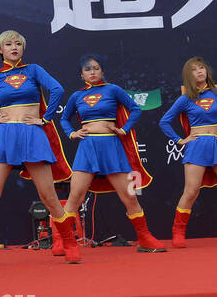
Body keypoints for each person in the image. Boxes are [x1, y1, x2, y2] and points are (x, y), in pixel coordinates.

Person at [0, 31, 77, 263]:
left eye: (18, 44)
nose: (14, 47)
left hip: (33, 134)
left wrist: (45, 119)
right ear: (0, 50)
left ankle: (68, 243)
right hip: (4, 135)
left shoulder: (33, 70)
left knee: (49, 196)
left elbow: (57, 89)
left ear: (23, 49)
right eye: (8, 44)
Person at [60, 55, 166, 252]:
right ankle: (64, 241)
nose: (92, 72)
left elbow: (135, 109)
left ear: (102, 71)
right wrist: (72, 133)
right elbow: (65, 119)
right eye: (88, 69)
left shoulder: (113, 89)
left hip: (112, 146)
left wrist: (124, 129)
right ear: (81, 74)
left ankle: (144, 238)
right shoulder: (76, 96)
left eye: (96, 68)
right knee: (75, 196)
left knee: (130, 196)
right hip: (87, 147)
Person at [158, 57, 217, 247]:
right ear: (188, 75)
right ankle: (178, 232)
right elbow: (164, 121)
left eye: (202, 68)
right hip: (196, 147)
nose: (200, 71)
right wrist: (180, 140)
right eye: (194, 69)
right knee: (191, 191)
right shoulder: (186, 99)